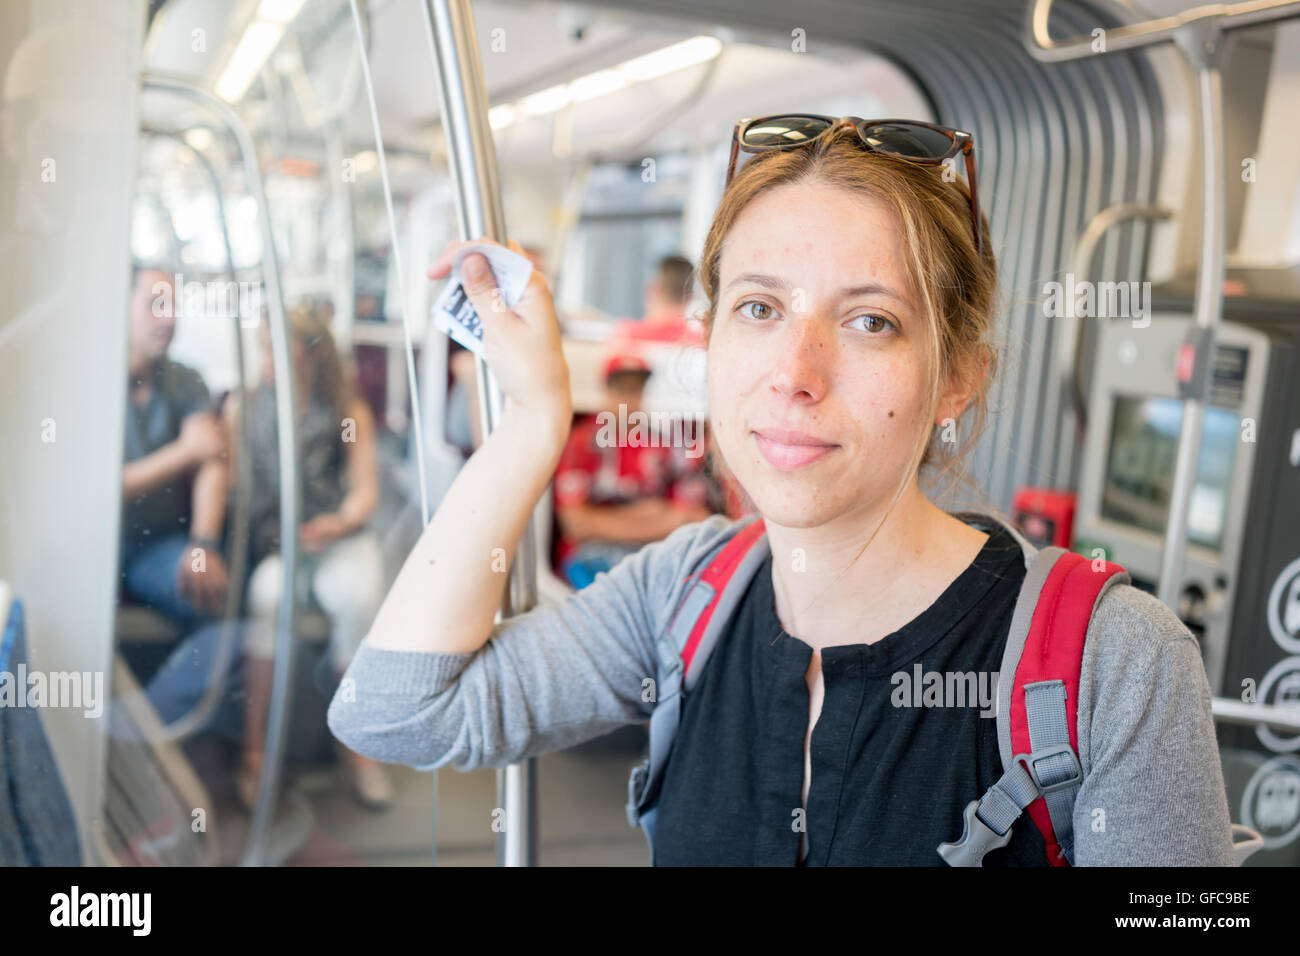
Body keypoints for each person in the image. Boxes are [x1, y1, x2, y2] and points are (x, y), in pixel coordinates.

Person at [326, 121, 1234, 866]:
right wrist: (533, 419)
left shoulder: (1113, 664)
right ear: (711, 338)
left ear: (957, 378)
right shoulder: (685, 596)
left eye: (870, 320)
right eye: (760, 308)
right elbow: (396, 710)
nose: (796, 374)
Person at [229, 305, 390, 811]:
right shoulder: (244, 407)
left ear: (309, 353)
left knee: (358, 597)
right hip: (280, 545)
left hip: (334, 538)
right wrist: (273, 532)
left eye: (278, 345)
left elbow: (364, 491)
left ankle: (355, 745)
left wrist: (337, 523)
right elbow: (238, 488)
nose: (267, 357)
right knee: (267, 597)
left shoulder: (347, 410)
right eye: (263, 346)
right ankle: (256, 753)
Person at [119, 264, 230, 636]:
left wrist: (202, 544)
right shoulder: (90, 379)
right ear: (122, 305)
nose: (169, 318)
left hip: (160, 544)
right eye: (156, 304)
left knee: (206, 589)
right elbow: (106, 490)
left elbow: (211, 460)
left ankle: (177, 695)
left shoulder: (186, 379)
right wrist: (185, 452)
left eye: (173, 306)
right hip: (96, 543)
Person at [553, 350, 714, 589]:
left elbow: (692, 513)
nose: (628, 399)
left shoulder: (660, 442)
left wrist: (656, 517)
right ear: (606, 389)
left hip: (651, 554)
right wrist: (652, 517)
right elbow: (576, 524)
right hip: (591, 557)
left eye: (636, 389)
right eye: (621, 389)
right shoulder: (581, 442)